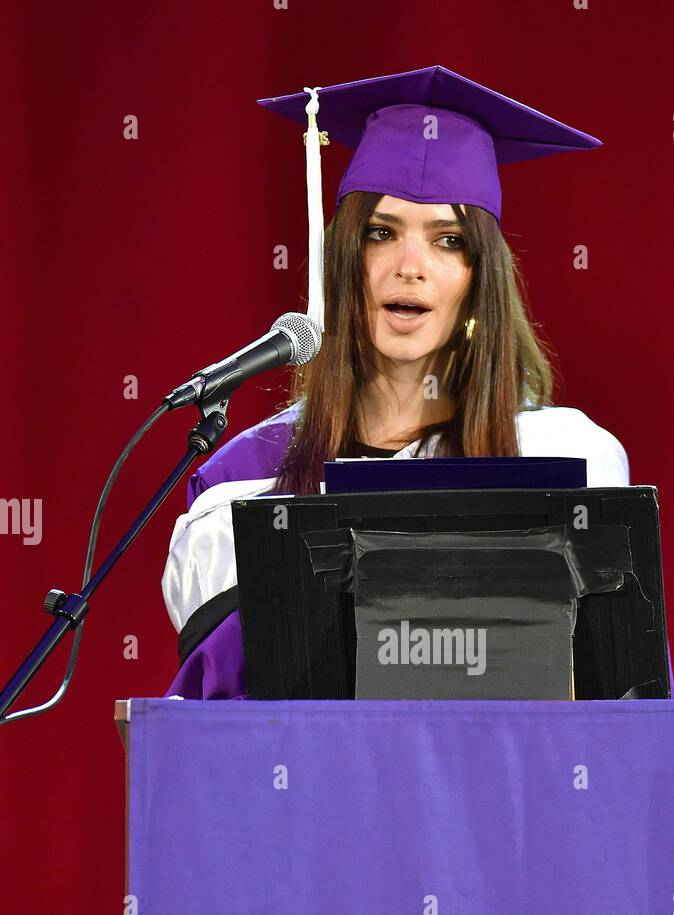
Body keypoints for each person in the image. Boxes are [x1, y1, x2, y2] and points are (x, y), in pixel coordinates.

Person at [161, 67, 629, 700]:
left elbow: (626, 701)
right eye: (382, 233)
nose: (410, 268)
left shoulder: (560, 456)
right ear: (345, 259)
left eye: (448, 241)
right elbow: (221, 719)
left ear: (478, 283)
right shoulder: (244, 476)